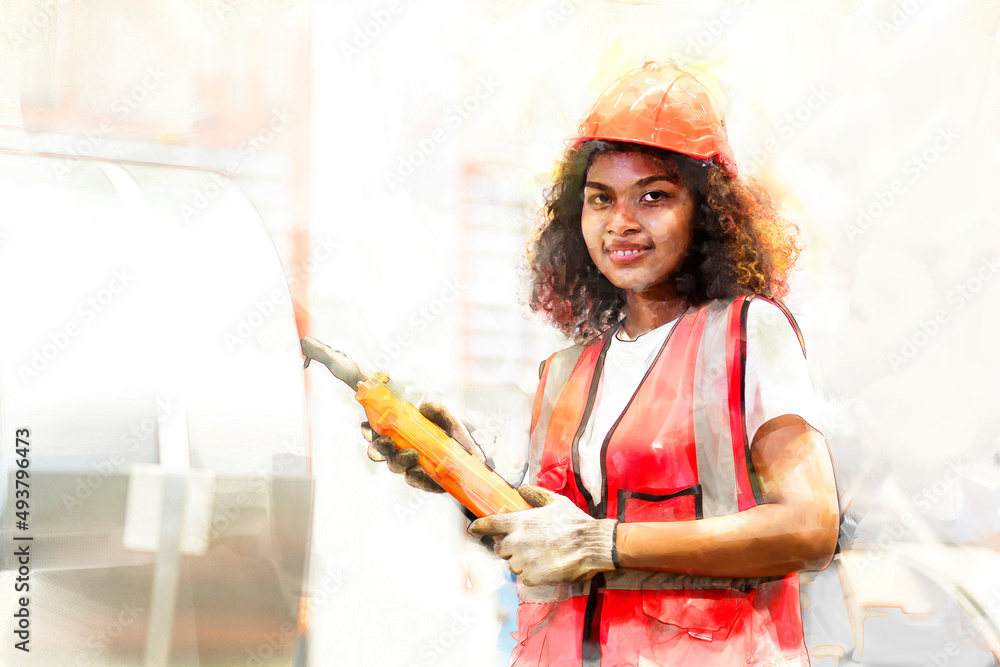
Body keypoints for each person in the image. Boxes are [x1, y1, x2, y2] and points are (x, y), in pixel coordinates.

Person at [364, 62, 840, 666]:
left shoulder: (748, 334)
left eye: (655, 196)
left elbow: (811, 527)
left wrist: (603, 544)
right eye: (600, 199)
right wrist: (462, 473)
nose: (622, 221)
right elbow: (547, 543)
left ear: (707, 213)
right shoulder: (565, 373)